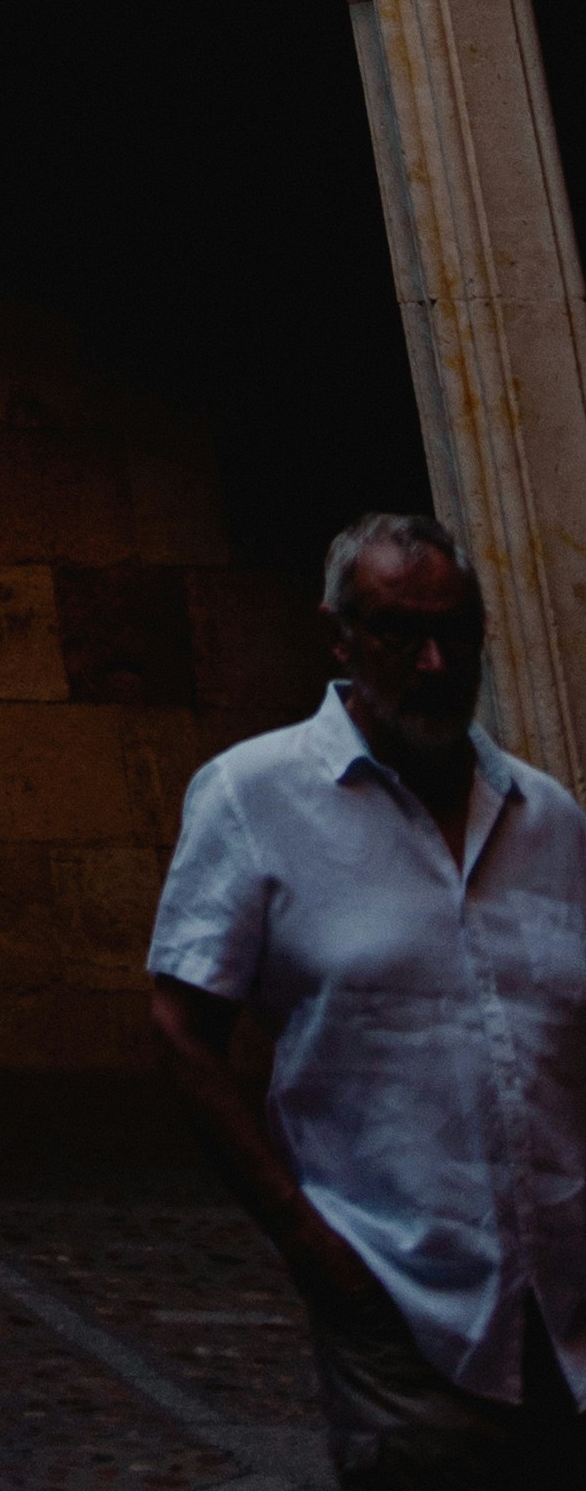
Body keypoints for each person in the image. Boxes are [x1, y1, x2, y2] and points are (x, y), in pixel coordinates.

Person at [148, 513, 586, 1484]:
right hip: (396, 1298)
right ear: (338, 635)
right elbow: (182, 1030)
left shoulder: (548, 818)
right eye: (397, 632)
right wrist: (306, 1241)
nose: (433, 661)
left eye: (457, 631)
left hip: (565, 1299)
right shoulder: (252, 795)